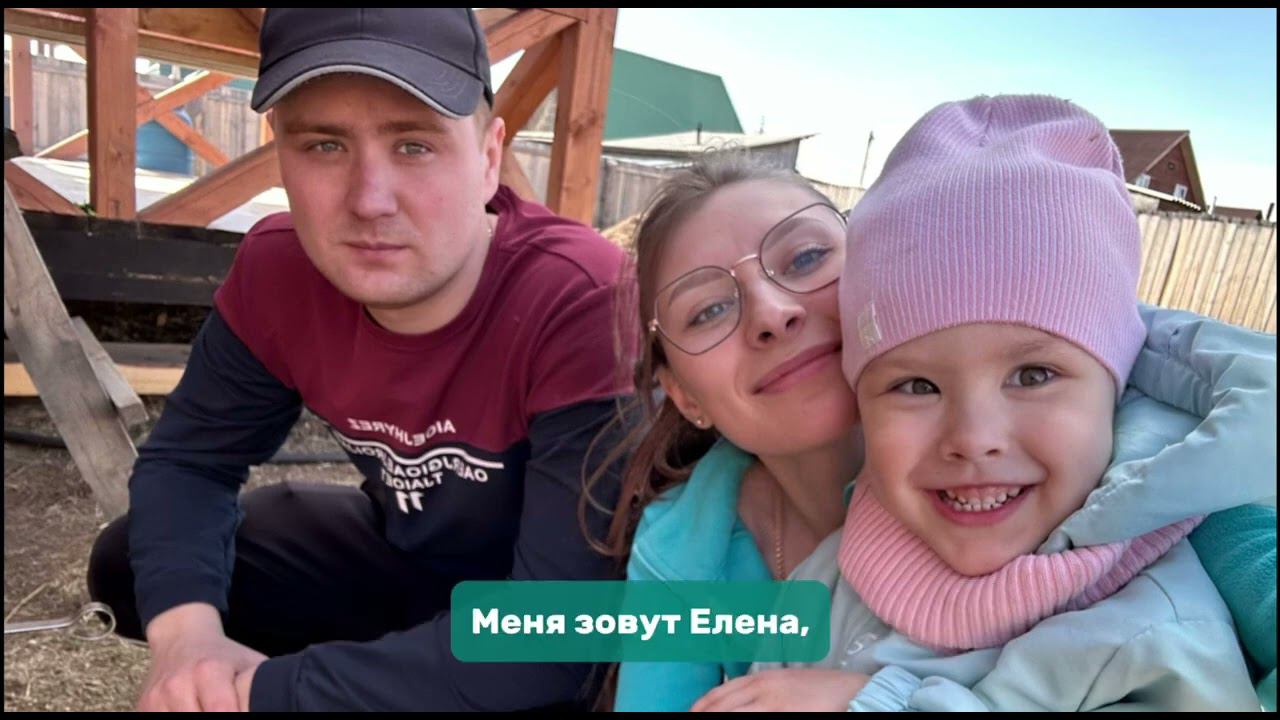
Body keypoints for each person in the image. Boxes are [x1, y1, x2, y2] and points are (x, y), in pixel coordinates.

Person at [87, 8, 632, 711]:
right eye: (324, 145)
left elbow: (551, 633)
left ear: (489, 157)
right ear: (280, 153)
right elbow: (190, 463)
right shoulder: (279, 271)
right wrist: (188, 646)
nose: (370, 201)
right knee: (136, 568)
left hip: (581, 618)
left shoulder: (582, 299)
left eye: (414, 145)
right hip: (415, 562)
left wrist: (261, 694)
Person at [603, 143, 1276, 710]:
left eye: (806, 259)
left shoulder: (1160, 486)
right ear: (684, 395)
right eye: (707, 310)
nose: (772, 313)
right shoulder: (690, 547)